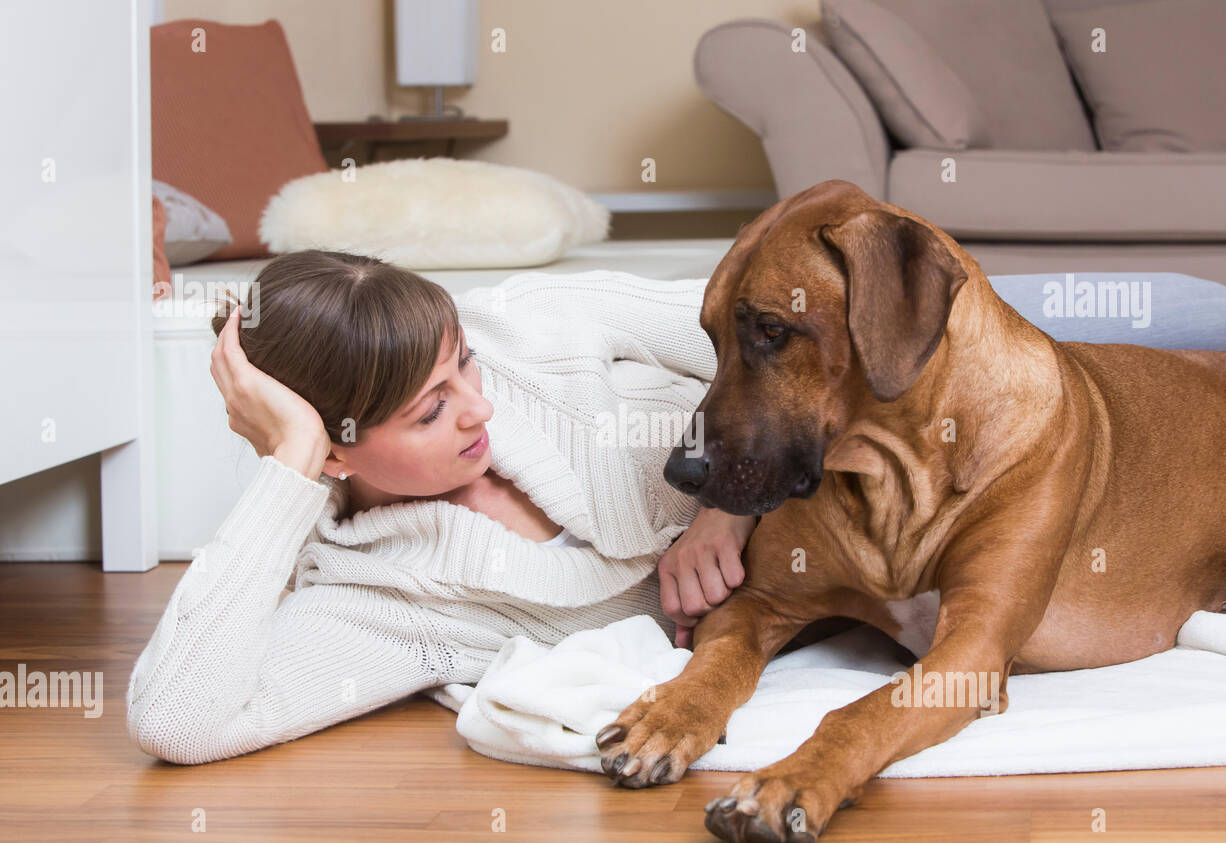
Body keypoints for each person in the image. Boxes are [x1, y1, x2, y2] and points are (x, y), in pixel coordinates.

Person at [126, 249, 756, 765]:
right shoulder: (384, 599)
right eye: (431, 411)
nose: (479, 408)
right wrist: (290, 461)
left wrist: (732, 499)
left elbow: (787, 329)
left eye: (465, 363)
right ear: (335, 455)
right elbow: (176, 721)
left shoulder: (527, 323)